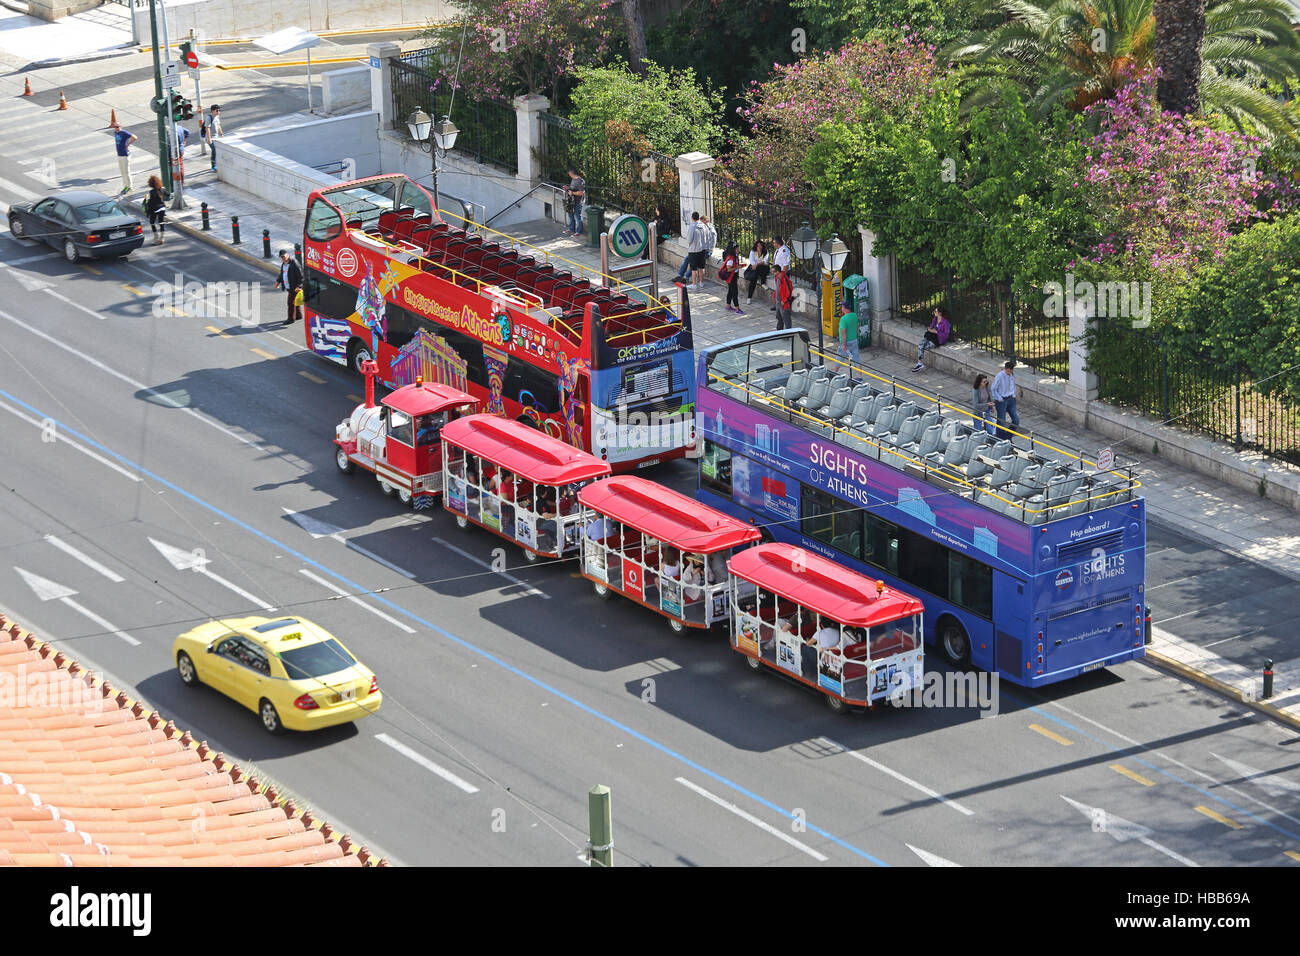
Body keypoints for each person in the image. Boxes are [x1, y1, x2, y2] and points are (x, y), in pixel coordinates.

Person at [913, 305, 952, 371]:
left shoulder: (946, 323)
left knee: (924, 347)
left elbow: (946, 336)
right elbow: (931, 326)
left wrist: (936, 332)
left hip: (938, 339)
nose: (934, 312)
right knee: (921, 344)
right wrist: (930, 329)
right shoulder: (935, 319)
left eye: (935, 311)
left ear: (939, 313)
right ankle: (919, 363)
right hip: (931, 336)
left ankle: (920, 363)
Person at [991, 359, 1020, 438]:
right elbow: (993, 388)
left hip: (1011, 399)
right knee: (1001, 421)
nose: (1009, 373)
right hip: (1002, 400)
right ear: (1005, 369)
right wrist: (1000, 398)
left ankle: (1007, 437)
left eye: (1010, 371)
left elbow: (1013, 386)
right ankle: (1000, 438)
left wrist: (1013, 395)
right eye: (1008, 371)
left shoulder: (1012, 375)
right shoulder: (1000, 376)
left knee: (1016, 420)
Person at [275, 248, 302, 325]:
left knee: (290, 303)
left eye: (284, 256)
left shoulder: (294, 263)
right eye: (281, 257)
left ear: (288, 255)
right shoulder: (284, 264)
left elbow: (301, 275)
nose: (283, 258)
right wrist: (278, 281)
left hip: (294, 287)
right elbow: (282, 274)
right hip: (289, 287)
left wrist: (299, 286)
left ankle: (291, 319)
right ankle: (298, 315)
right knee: (295, 301)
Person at [682, 212, 707, 289]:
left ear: (692, 218)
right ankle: (702, 282)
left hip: (694, 250)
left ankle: (694, 284)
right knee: (701, 267)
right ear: (699, 218)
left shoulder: (692, 226)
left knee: (694, 268)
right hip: (702, 249)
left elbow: (689, 239)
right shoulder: (703, 225)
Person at [692, 215, 716, 290]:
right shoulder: (703, 228)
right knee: (689, 259)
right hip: (701, 249)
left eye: (702, 222)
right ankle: (687, 277)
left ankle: (692, 279)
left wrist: (708, 250)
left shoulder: (711, 230)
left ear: (707, 221)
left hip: (707, 251)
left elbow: (712, 243)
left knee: (694, 261)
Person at [719, 241, 742, 314]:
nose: (738, 249)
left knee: (730, 291)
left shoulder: (734, 256)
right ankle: (737, 309)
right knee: (735, 292)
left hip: (733, 277)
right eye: (737, 248)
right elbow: (729, 269)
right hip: (731, 277)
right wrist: (737, 267)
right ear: (734, 250)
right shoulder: (731, 259)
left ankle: (728, 306)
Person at [744, 240, 770, 305]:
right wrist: (756, 265)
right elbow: (751, 260)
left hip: (762, 268)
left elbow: (765, 261)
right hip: (755, 267)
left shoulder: (766, 252)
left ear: (762, 246)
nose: (759, 247)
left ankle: (749, 298)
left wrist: (757, 264)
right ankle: (762, 283)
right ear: (756, 246)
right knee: (754, 279)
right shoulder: (753, 251)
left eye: (760, 245)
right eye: (758, 245)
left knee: (761, 268)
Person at [144, 175, 166, 246]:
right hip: (162, 208)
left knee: (152, 222)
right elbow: (168, 194)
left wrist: (148, 211)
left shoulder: (151, 192)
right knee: (161, 222)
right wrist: (163, 189)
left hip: (155, 209)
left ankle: (156, 238)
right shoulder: (162, 189)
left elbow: (150, 203)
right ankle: (162, 237)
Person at [114, 127, 137, 195]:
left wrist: (128, 145)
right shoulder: (116, 133)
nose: (116, 128)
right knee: (122, 172)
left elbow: (135, 137)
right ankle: (125, 186)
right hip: (119, 154)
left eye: (117, 127)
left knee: (126, 172)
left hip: (125, 155)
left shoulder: (124, 132)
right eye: (115, 127)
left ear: (120, 126)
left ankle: (129, 187)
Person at [770, 237, 791, 310]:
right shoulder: (778, 250)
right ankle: (778, 304)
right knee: (778, 290)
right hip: (778, 274)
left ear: (778, 243)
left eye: (774, 242)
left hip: (782, 274)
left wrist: (782, 276)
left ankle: (784, 305)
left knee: (783, 291)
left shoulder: (784, 251)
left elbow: (786, 265)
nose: (773, 244)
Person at [564, 167, 585, 235]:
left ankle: (579, 231)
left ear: (572, 173)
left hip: (578, 201)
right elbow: (573, 188)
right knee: (570, 214)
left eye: (569, 174)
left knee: (577, 216)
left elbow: (581, 192)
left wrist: (572, 193)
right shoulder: (573, 179)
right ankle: (571, 228)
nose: (569, 175)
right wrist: (568, 188)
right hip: (571, 200)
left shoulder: (580, 181)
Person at [774, 264, 794, 331]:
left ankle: (788, 335)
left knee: (786, 320)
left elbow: (790, 292)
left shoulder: (785, 279)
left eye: (774, 271)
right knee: (779, 318)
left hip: (784, 304)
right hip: (778, 303)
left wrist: (784, 301)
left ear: (778, 271)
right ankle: (779, 332)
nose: (772, 273)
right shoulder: (777, 277)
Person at [205, 104, 223, 171]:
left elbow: (218, 125)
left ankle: (216, 163)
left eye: (219, 110)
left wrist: (221, 133)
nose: (218, 112)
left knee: (217, 150)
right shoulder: (209, 118)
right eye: (217, 110)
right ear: (212, 111)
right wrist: (209, 139)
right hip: (210, 138)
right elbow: (207, 128)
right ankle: (213, 166)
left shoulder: (217, 117)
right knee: (214, 150)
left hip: (216, 137)